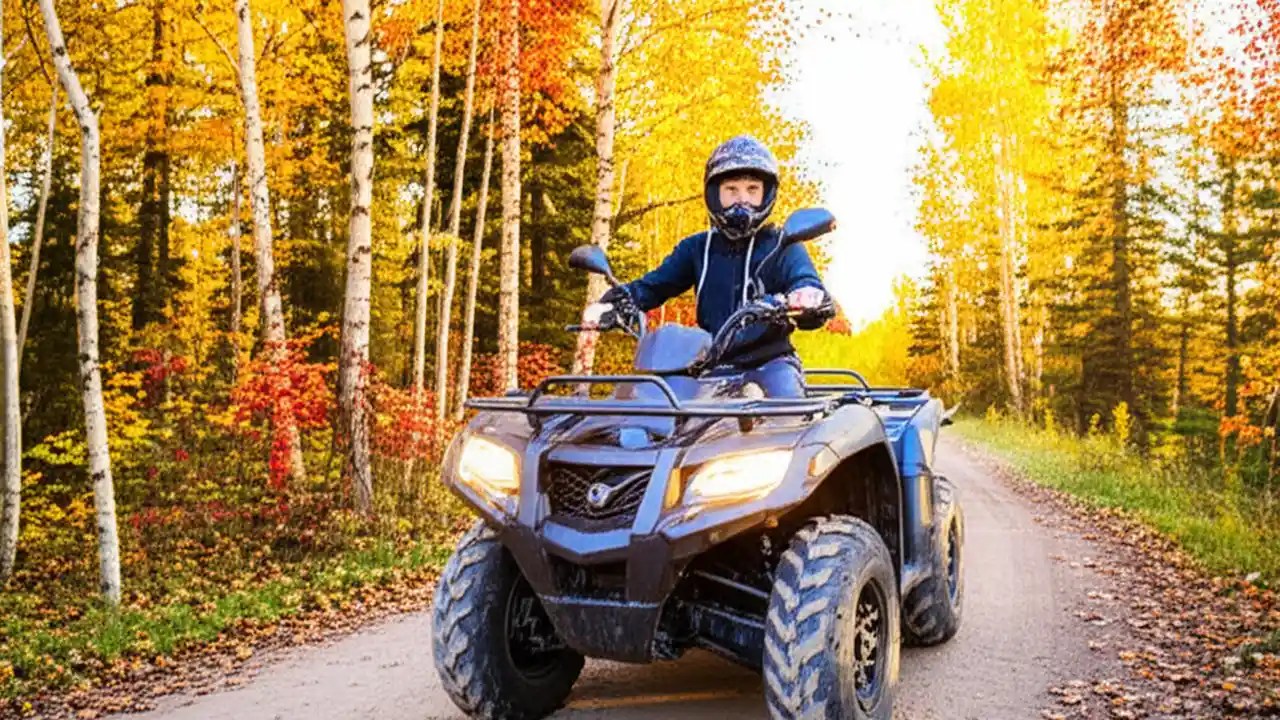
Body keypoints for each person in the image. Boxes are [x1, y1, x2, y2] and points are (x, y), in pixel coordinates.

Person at [584, 135, 833, 398]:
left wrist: (807, 295)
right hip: (711, 366)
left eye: (752, 189)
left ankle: (791, 416)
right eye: (731, 190)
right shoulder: (697, 248)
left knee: (787, 410)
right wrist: (617, 303)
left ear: (766, 194)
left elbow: (804, 278)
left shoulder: (782, 245)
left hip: (770, 364)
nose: (742, 199)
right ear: (715, 194)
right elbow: (655, 285)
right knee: (656, 406)